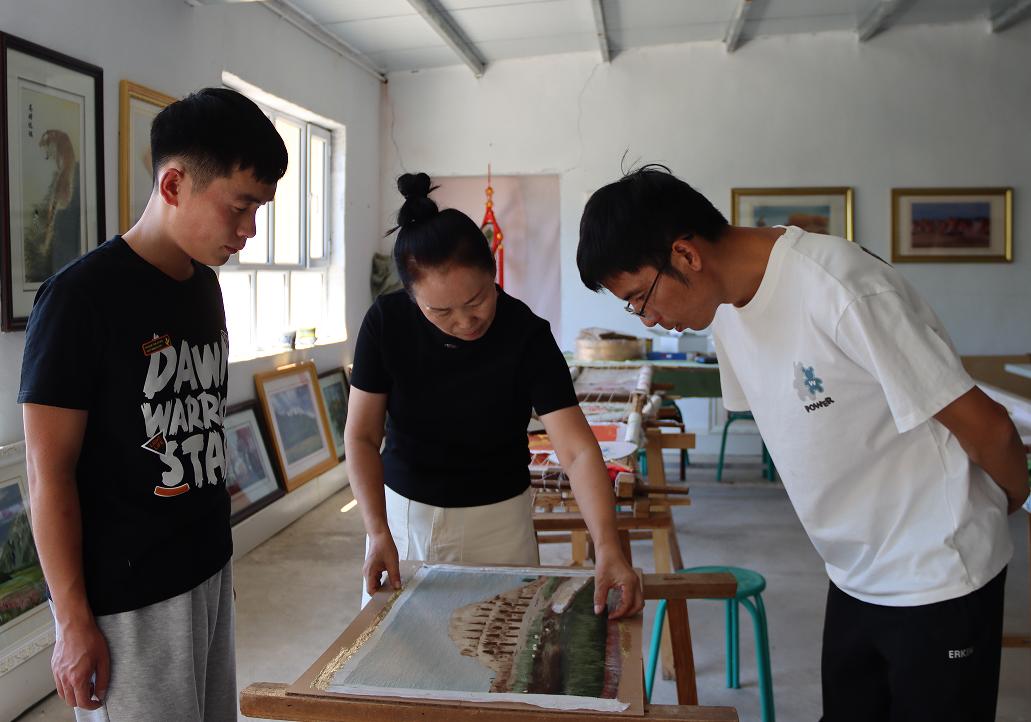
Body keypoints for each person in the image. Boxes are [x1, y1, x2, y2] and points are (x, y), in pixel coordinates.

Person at [576, 165, 1029, 722]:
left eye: (641, 298)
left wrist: (1004, 500)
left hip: (938, 573)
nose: (649, 319)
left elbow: (992, 426)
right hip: (853, 573)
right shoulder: (726, 314)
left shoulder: (842, 287)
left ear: (686, 256)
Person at [19, 88, 286, 721]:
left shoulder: (205, 287)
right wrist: (72, 621)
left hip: (206, 567)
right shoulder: (79, 301)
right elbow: (46, 474)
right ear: (172, 186)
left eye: (260, 210)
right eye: (241, 207)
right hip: (128, 598)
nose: (249, 230)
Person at [345, 172, 643, 619]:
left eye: (478, 299)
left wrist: (608, 545)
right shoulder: (386, 324)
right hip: (406, 521)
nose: (465, 321)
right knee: (399, 655)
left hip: (501, 523)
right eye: (441, 312)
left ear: (494, 271)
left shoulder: (526, 335)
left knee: (501, 656)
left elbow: (578, 452)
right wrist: (378, 530)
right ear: (411, 297)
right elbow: (362, 438)